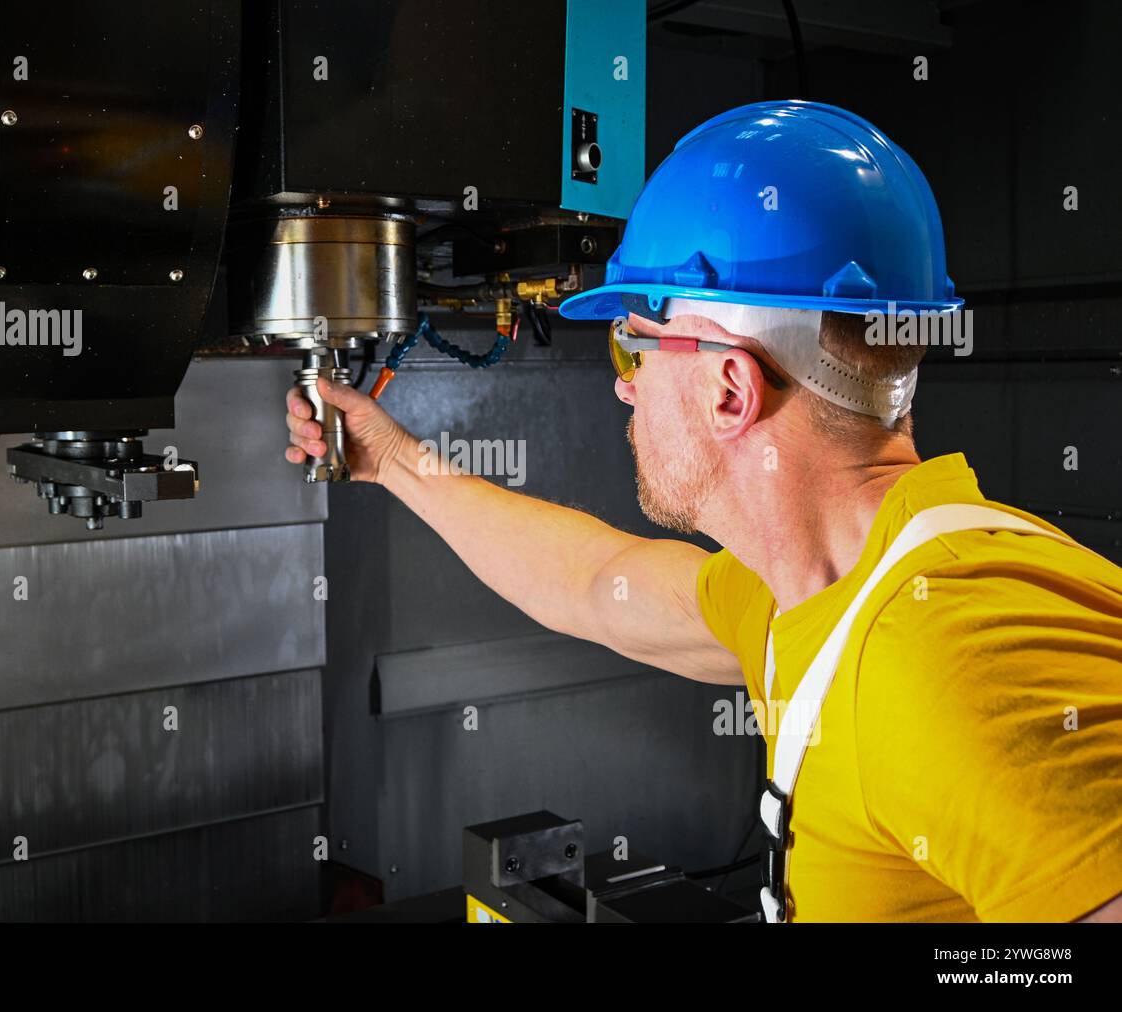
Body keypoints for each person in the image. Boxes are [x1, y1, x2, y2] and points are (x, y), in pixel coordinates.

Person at [283, 101, 1122, 923]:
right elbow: (596, 583)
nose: (623, 384)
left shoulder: (943, 657)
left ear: (730, 389)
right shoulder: (821, 595)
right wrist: (395, 462)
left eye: (632, 344)